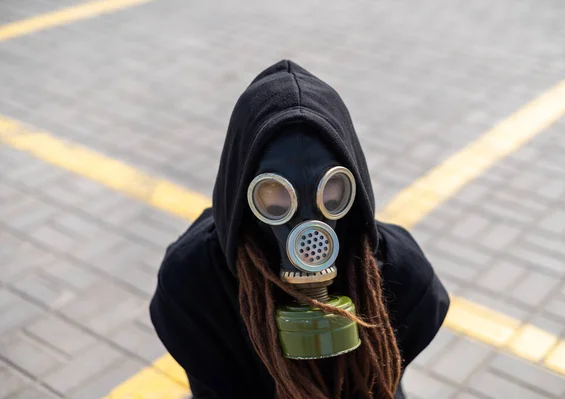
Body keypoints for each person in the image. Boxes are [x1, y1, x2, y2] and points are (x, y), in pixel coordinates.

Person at [150, 60, 450, 399]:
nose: (309, 231)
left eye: (331, 193)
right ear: (241, 191)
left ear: (355, 186)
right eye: (276, 196)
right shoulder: (195, 282)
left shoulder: (402, 275)